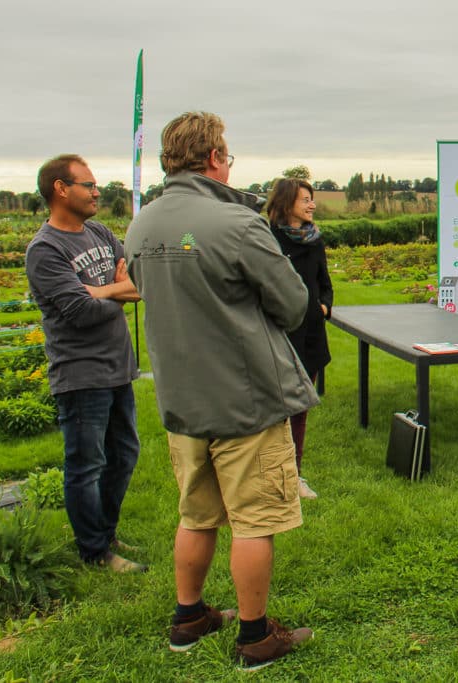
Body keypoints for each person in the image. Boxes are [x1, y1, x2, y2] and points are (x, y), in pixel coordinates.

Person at [125, 111, 318, 670]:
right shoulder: (237, 224)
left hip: (182, 401)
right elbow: (293, 304)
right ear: (213, 159)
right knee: (255, 520)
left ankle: (189, 618)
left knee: (196, 513)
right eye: (227, 156)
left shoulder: (140, 225)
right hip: (246, 399)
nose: (229, 165)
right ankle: (256, 637)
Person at [25, 154, 145, 573]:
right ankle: (94, 552)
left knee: (124, 454)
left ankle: (105, 533)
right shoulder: (46, 250)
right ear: (61, 189)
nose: (97, 192)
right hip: (80, 373)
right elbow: (81, 312)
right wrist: (112, 290)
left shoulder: (97, 231)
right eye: (88, 185)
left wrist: (100, 290)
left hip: (116, 367)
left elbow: (137, 283)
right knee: (86, 464)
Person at [266, 178, 333, 500]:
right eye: (305, 199)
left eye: (312, 199)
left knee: (300, 409)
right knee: (275, 410)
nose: (312, 205)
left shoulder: (315, 240)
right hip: (279, 336)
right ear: (287, 202)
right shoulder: (268, 240)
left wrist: (324, 306)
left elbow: (325, 283)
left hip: (311, 337)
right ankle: (270, 474)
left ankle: (294, 476)